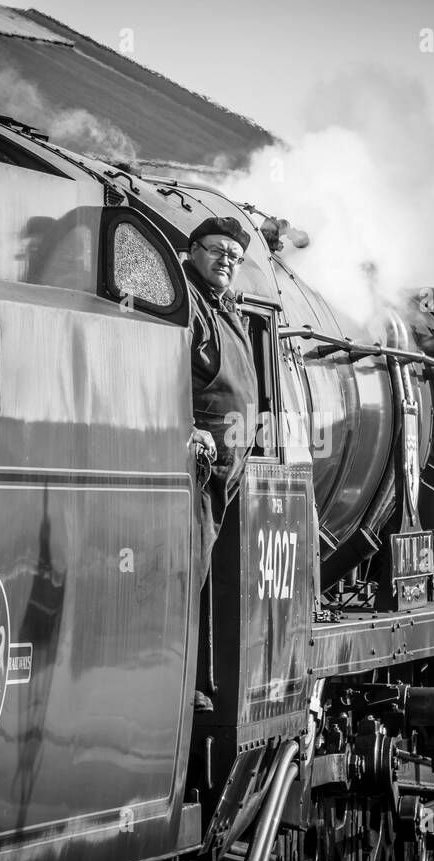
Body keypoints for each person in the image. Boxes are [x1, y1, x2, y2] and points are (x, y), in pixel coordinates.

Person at [184, 216, 258, 711]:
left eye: (233, 256)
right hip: (196, 468)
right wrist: (185, 426)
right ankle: (180, 676)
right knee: (186, 568)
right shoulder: (187, 300)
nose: (225, 261)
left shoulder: (223, 306)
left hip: (224, 473)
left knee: (201, 567)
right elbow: (165, 365)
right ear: (193, 250)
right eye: (216, 250)